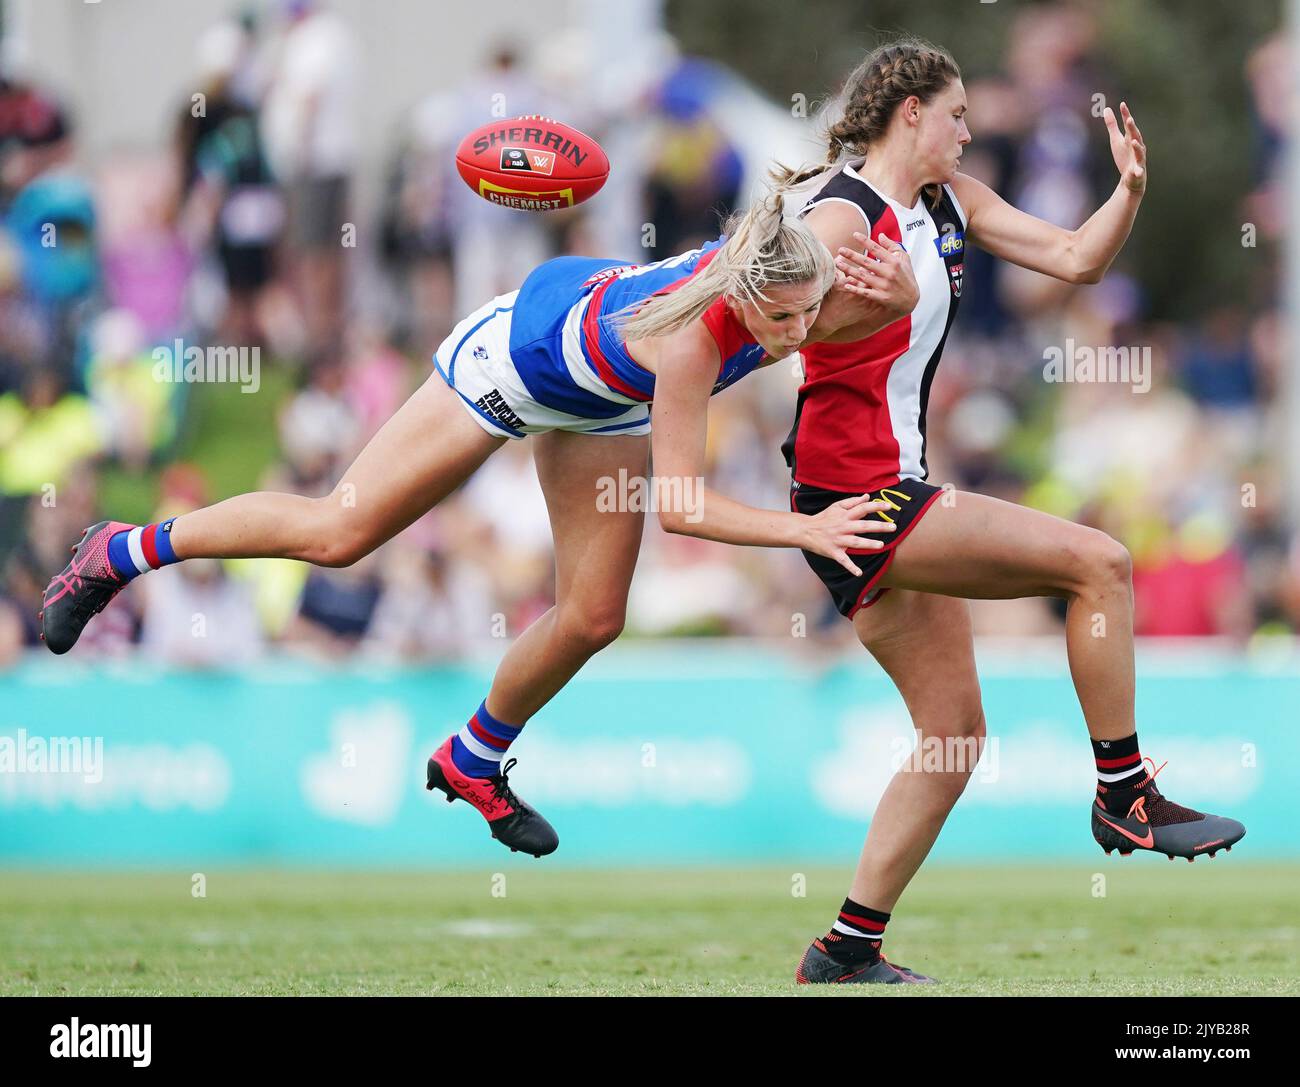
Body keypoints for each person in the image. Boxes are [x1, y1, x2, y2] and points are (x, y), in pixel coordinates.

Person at [38, 170, 915, 858]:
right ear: (749, 296)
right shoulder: (692, 342)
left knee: (594, 615)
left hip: (605, 398)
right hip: (515, 366)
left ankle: (474, 757)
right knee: (339, 531)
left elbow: (845, 293)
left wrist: (903, 298)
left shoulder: (788, 279)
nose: (804, 335)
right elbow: (682, 507)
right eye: (789, 319)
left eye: (812, 314)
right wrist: (804, 527)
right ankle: (122, 548)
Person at [744, 38, 1244, 986]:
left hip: (891, 491)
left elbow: (1074, 260)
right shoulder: (837, 220)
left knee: (954, 733)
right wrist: (873, 314)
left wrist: (1128, 193)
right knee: (1100, 562)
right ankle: (1124, 789)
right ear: (910, 116)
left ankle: (846, 946)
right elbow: (760, 333)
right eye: (958, 114)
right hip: (857, 497)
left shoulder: (948, 205)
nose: (972, 131)